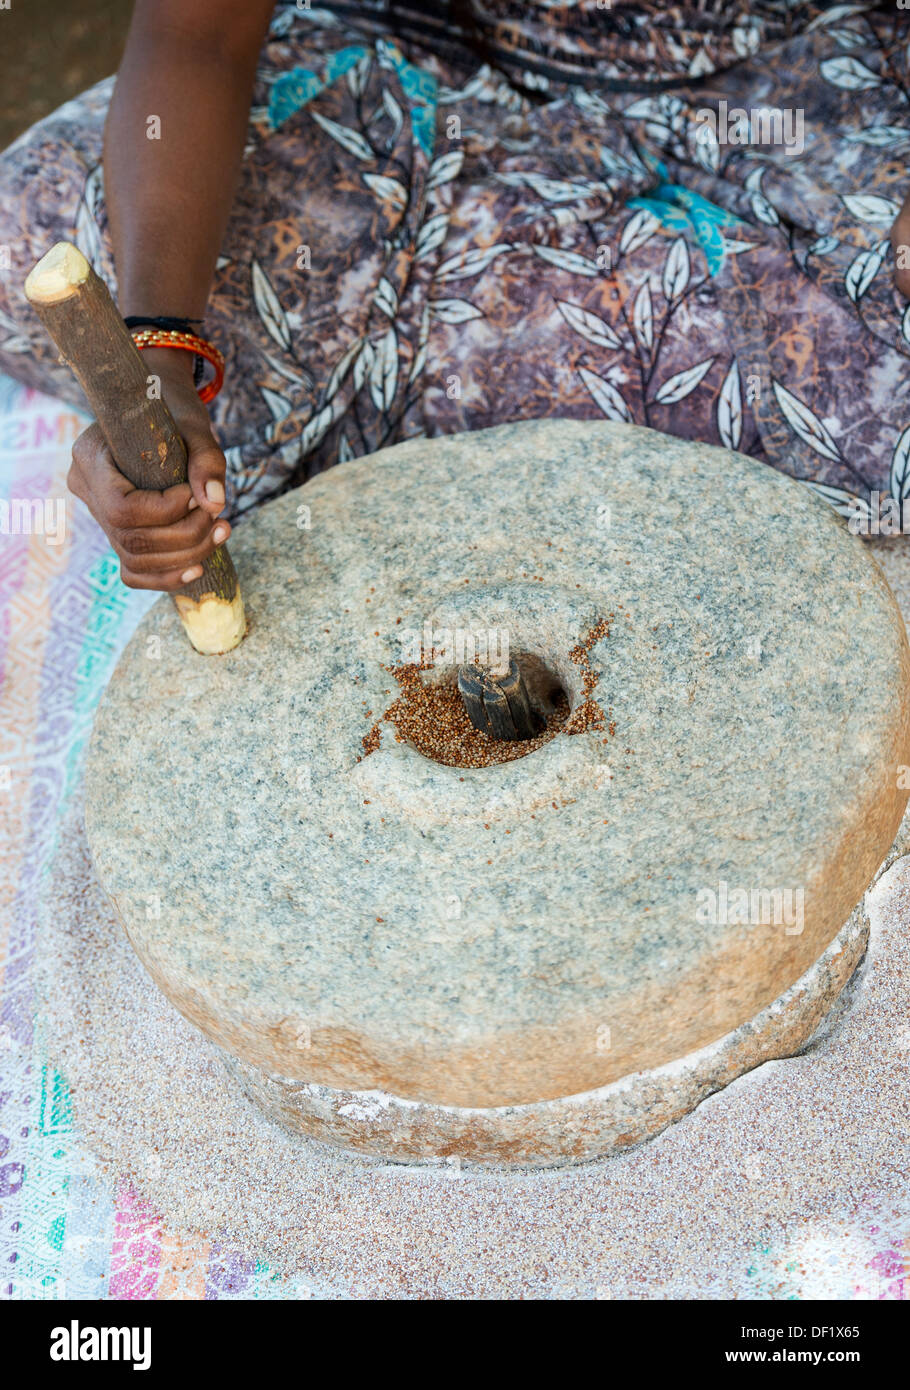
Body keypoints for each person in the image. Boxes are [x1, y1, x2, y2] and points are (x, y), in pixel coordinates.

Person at [1, 0, 909, 593]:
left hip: (782, 95)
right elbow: (193, 31)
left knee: (866, 378)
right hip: (410, 63)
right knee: (27, 224)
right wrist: (155, 358)